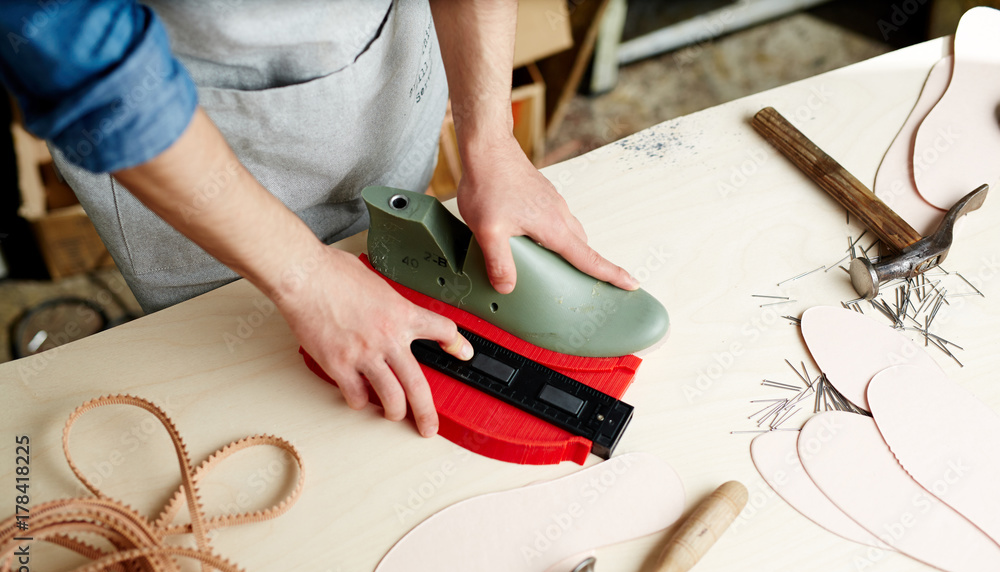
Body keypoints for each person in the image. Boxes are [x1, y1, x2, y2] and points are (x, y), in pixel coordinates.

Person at [0, 0, 638, 437]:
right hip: (185, 134)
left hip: (374, 60)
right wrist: (303, 274)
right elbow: (93, 76)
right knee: (246, 385)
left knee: (389, 263)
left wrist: (491, 137)